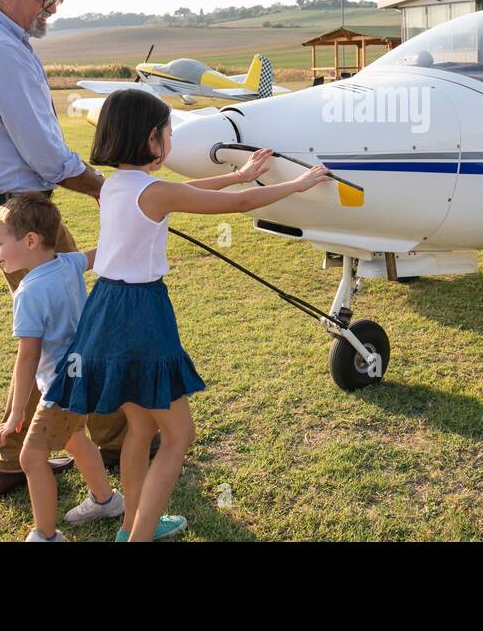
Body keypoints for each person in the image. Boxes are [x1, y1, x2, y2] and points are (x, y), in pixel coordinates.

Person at [43, 89, 333, 541]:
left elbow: (184, 192)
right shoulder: (150, 190)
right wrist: (296, 184)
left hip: (106, 309)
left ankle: (131, 526)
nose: (171, 140)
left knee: (141, 426)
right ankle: (139, 537)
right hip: (140, 313)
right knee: (179, 436)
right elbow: (228, 204)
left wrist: (241, 174)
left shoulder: (115, 184)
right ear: (151, 140)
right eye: (169, 132)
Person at [0, 0, 140, 497]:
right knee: (75, 327)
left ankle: (16, 459)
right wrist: (106, 188)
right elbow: (45, 152)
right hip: (22, 216)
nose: (48, 10)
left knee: (50, 331)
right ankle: (108, 442)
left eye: (55, 1)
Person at [0, 195, 122, 541]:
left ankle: (45, 535)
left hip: (63, 384)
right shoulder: (66, 263)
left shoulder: (28, 292)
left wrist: (17, 412)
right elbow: (97, 255)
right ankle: (106, 500)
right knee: (76, 439)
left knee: (32, 458)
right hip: (87, 373)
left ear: (30, 240)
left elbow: (27, 356)